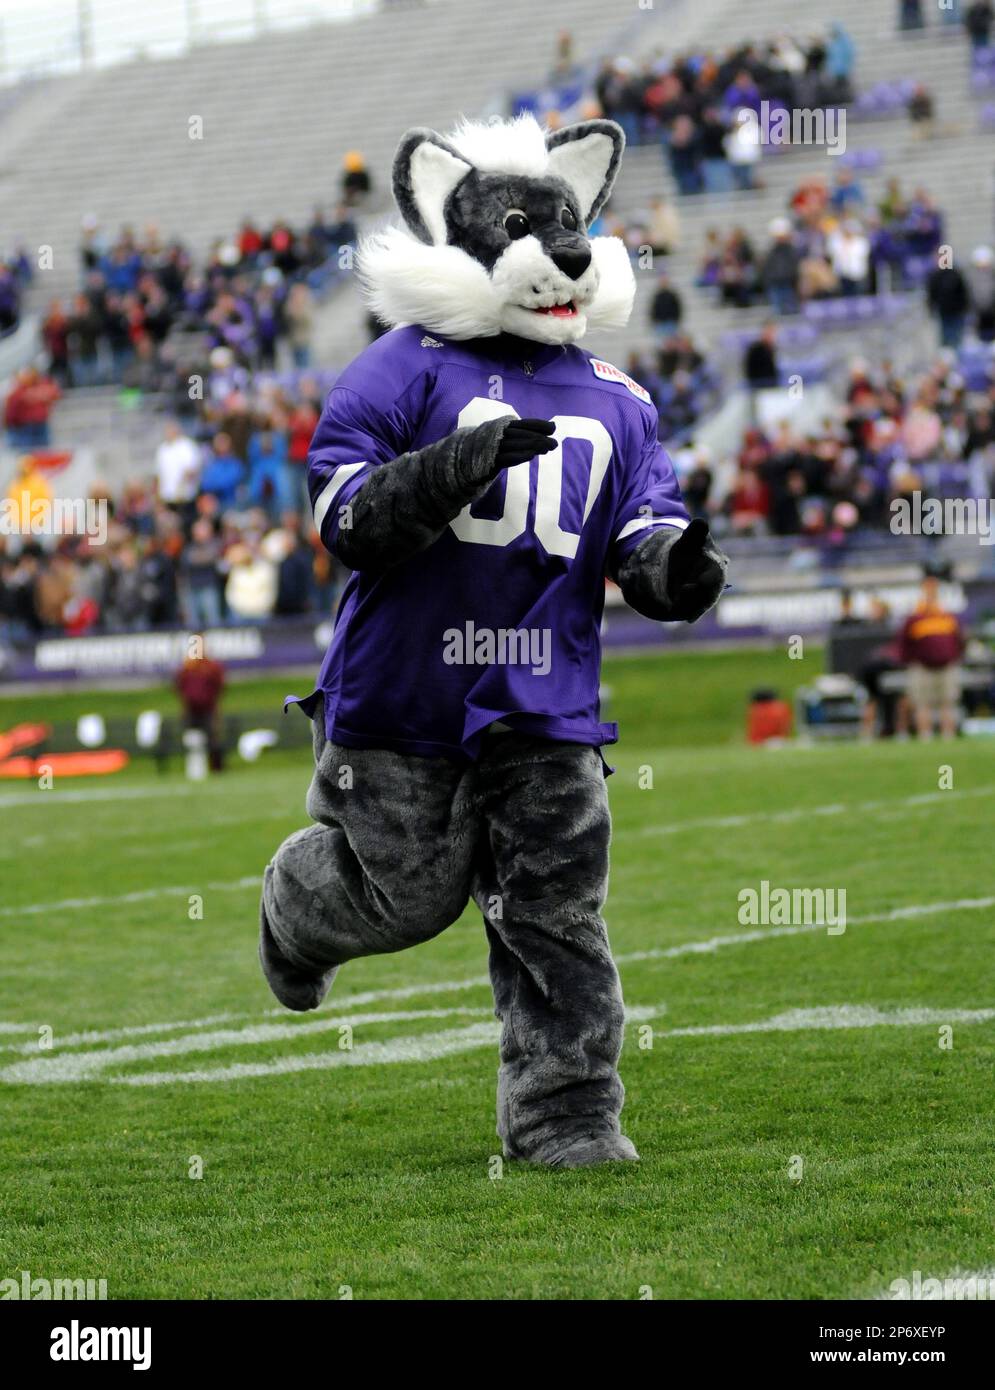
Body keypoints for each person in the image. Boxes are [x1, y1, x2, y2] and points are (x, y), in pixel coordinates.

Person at [898, 573, 965, 739]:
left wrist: (954, 656)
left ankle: (948, 734)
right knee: (922, 703)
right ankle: (925, 735)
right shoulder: (914, 618)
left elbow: (959, 640)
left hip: (946, 665)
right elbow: (904, 643)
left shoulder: (947, 617)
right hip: (922, 667)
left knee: (948, 702)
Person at [175, 636, 226, 772]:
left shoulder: (211, 667)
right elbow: (179, 686)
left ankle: (217, 768)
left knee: (213, 738)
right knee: (191, 739)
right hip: (191, 710)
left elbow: (220, 685)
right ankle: (195, 769)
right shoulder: (186, 668)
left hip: (208, 709)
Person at [155, 420, 202, 524]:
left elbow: (191, 470)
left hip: (185, 497)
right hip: (168, 497)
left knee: (187, 523)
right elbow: (159, 474)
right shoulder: (162, 449)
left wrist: (181, 488)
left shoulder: (187, 446)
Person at [927, 258, 970, 348]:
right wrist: (931, 307)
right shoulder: (936, 276)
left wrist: (964, 307)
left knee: (957, 337)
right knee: (946, 336)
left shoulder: (956, 274)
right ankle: (947, 357)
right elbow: (932, 294)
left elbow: (963, 292)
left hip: (956, 311)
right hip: (944, 312)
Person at [743, 322, 780, 389]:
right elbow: (751, 371)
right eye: (769, 333)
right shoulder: (755, 349)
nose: (772, 336)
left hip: (771, 385)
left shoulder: (771, 349)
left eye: (773, 333)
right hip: (759, 385)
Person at [649, 272, 682, 337]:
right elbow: (654, 309)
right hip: (660, 323)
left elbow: (677, 308)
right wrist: (655, 320)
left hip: (671, 323)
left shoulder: (672, 295)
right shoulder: (657, 296)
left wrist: (675, 320)